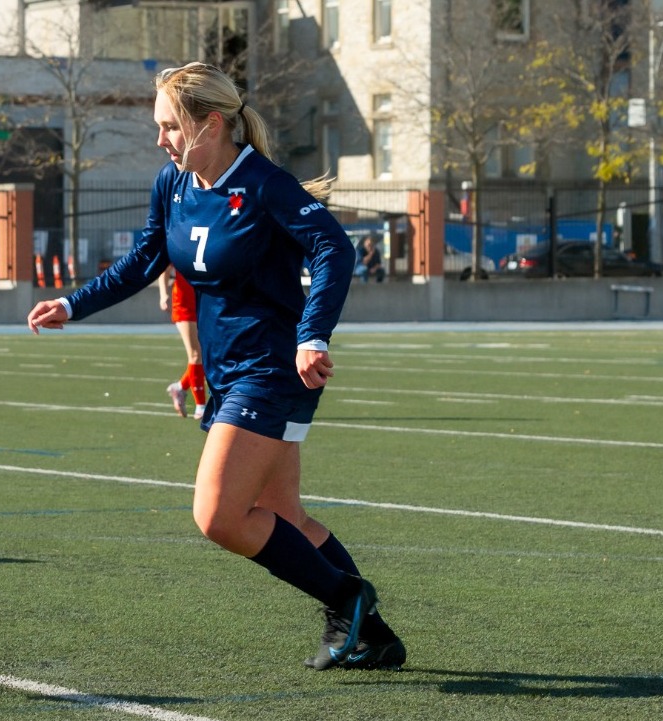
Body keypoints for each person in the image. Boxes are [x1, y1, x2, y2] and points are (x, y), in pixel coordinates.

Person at [26, 61, 404, 671]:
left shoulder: (263, 183)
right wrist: (72, 305)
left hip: (272, 369)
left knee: (218, 516)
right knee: (284, 516)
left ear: (212, 124)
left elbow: (334, 246)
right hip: (229, 371)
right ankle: (376, 635)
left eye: (170, 126)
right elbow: (142, 261)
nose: (161, 140)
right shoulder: (172, 183)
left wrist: (312, 335)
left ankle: (346, 599)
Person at [157, 265, 206, 418]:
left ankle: (180, 387)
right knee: (196, 355)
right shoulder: (181, 250)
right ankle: (201, 406)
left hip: (204, 304)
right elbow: (164, 271)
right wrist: (163, 294)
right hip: (184, 305)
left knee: (208, 356)